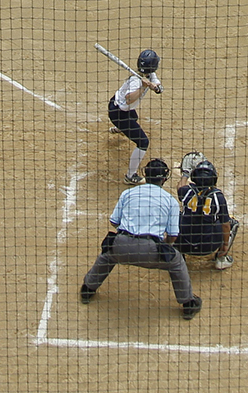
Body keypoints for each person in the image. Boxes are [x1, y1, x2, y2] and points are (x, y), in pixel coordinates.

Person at [79, 158, 202, 320]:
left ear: (146, 175)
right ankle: (188, 304)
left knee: (107, 255)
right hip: (150, 251)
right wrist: (164, 247)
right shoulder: (170, 201)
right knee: (177, 262)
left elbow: (114, 221)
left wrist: (127, 234)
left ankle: (87, 290)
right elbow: (173, 235)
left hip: (121, 246)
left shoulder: (128, 193)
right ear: (164, 179)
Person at [108, 49, 163, 184]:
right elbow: (129, 99)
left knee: (134, 118)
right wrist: (143, 87)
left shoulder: (149, 75)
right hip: (118, 113)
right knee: (143, 142)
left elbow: (158, 86)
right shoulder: (135, 80)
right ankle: (130, 176)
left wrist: (155, 87)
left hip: (124, 110)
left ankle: (120, 129)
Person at [175, 153, 238, 270]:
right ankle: (221, 259)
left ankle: (178, 259)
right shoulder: (218, 197)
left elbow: (180, 187)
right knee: (232, 223)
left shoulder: (187, 192)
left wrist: (185, 174)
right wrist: (224, 245)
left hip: (183, 244)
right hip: (209, 246)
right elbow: (225, 225)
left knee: (175, 216)